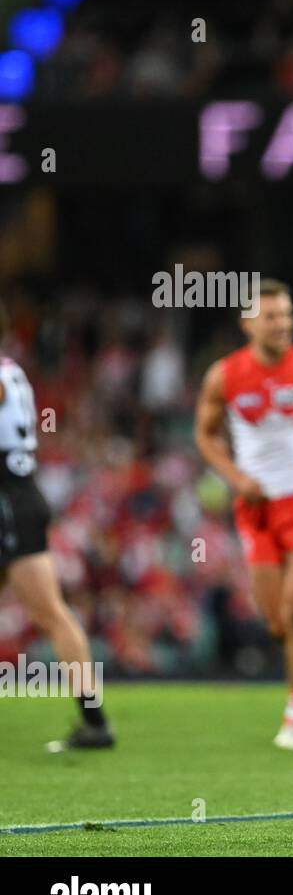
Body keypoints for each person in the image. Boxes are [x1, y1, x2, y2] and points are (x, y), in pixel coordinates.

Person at [195, 279, 293, 751]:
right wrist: (234, 477)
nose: (282, 323)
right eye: (271, 316)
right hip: (256, 507)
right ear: (247, 322)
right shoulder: (223, 376)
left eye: (286, 315)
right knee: (276, 621)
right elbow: (206, 435)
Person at [0, 307, 113, 751]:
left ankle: (96, 721)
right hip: (19, 495)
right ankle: (95, 720)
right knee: (53, 612)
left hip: (7, 500)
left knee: (49, 612)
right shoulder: (13, 369)